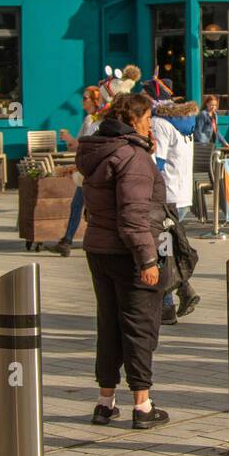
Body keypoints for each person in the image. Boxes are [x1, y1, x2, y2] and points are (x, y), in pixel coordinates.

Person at [76, 91, 170, 430]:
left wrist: (143, 151)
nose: (151, 127)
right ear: (134, 121)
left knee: (109, 324)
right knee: (138, 327)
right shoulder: (133, 157)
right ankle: (142, 406)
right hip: (128, 252)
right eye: (147, 121)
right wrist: (147, 260)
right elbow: (133, 216)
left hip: (98, 249)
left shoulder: (102, 149)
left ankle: (105, 401)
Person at [151, 96, 201, 322]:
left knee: (163, 252)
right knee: (168, 249)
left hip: (166, 195)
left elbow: (157, 162)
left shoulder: (160, 124)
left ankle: (168, 306)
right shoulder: (185, 125)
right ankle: (182, 291)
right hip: (181, 195)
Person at [49, 85, 104, 257]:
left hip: (87, 170)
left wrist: (68, 138)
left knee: (81, 205)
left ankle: (69, 241)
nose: (82, 101)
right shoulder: (92, 119)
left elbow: (81, 144)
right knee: (79, 205)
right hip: (88, 168)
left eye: (86, 98)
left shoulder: (91, 120)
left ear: (95, 101)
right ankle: (68, 240)